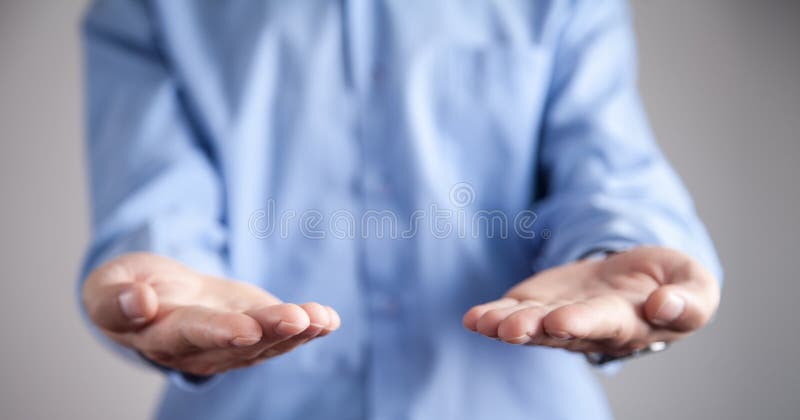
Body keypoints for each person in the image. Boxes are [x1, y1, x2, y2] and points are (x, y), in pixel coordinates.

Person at [78, 1, 722, 419]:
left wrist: (621, 260)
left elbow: (608, 171)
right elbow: (161, 202)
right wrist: (164, 285)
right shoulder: (146, 10)